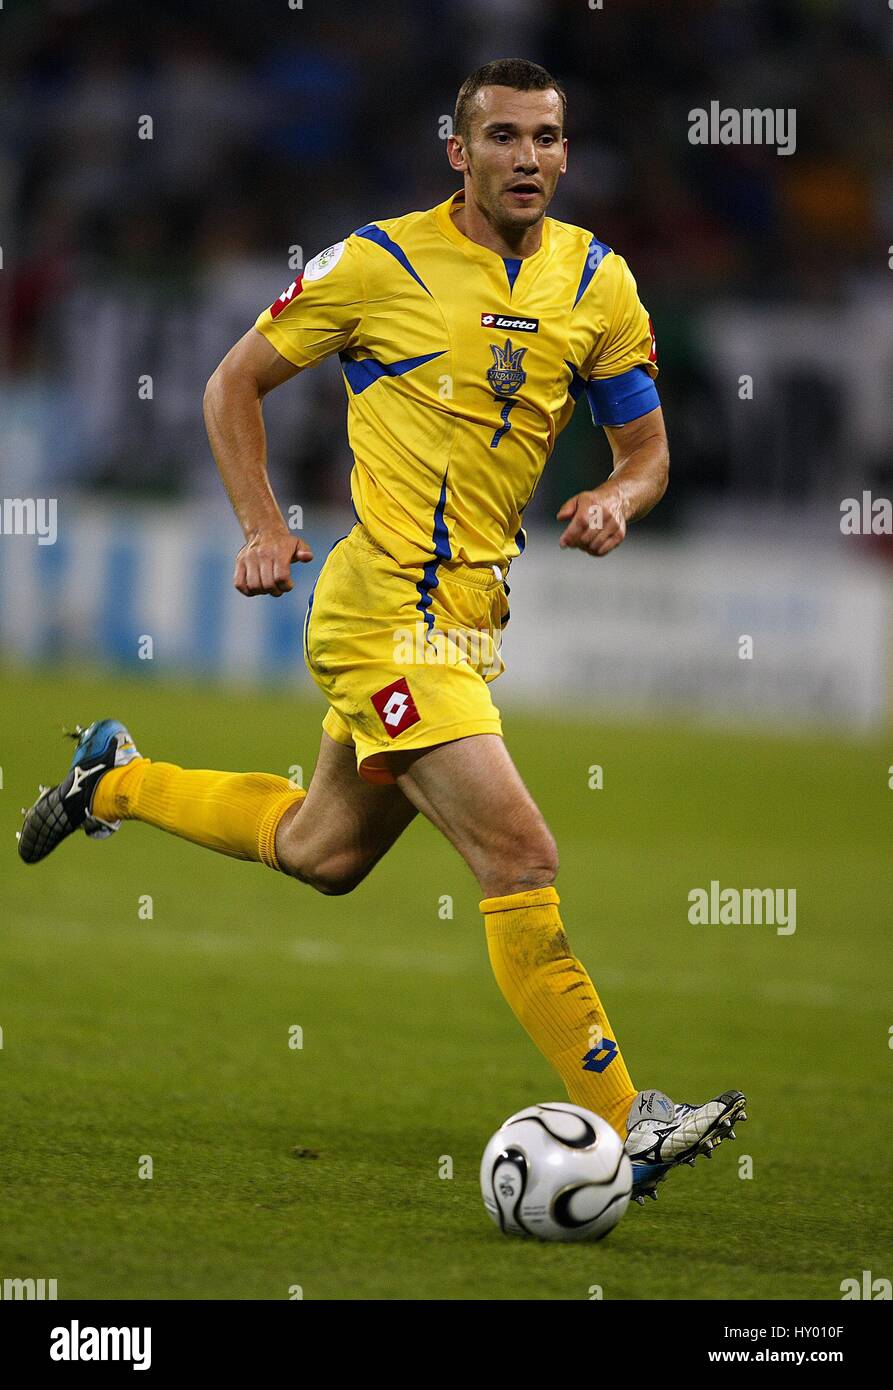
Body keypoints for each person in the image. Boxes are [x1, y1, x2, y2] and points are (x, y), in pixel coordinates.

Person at [19, 59, 745, 1203]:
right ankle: (629, 1117)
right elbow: (228, 386)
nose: (527, 158)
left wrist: (617, 496)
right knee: (519, 854)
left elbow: (647, 455)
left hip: (469, 619)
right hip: (379, 611)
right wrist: (262, 524)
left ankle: (114, 779)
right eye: (502, 136)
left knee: (323, 854)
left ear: (566, 150)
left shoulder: (598, 280)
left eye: (547, 138)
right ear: (457, 151)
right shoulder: (377, 262)